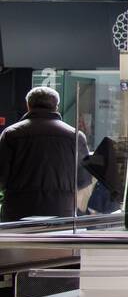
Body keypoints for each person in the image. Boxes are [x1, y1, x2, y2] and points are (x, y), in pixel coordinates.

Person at [0, 87, 92, 222]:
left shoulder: (11, 134)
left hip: (18, 211)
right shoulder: (76, 136)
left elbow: (1, 175)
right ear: (56, 106)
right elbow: (84, 179)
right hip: (61, 212)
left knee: (20, 244)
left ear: (28, 105)